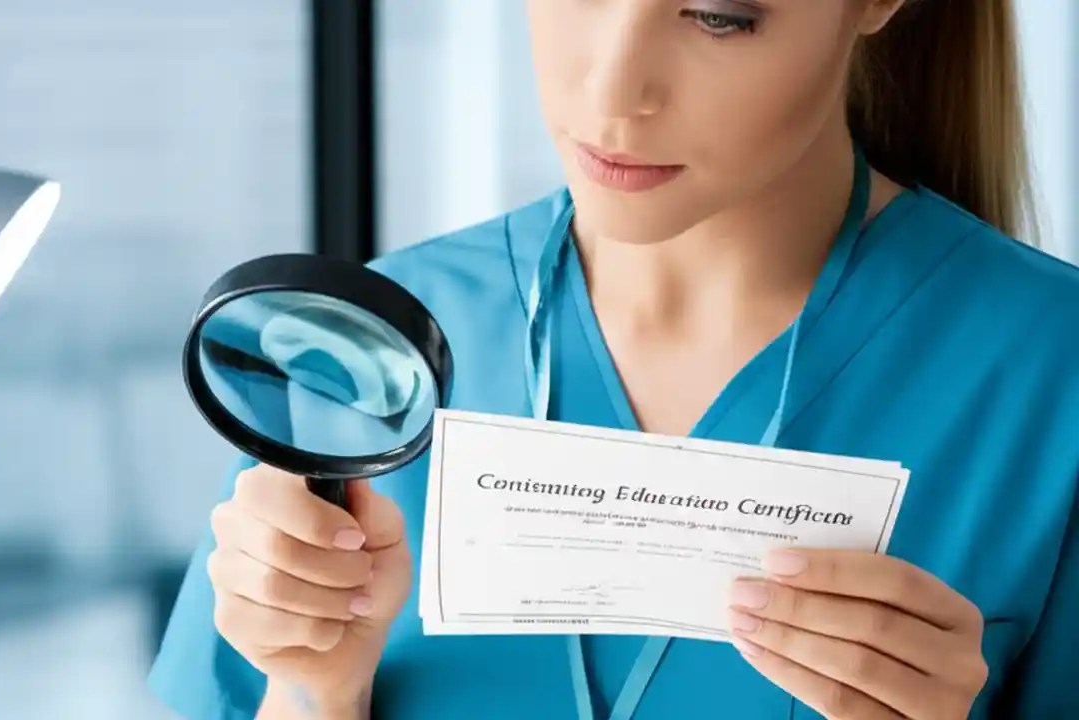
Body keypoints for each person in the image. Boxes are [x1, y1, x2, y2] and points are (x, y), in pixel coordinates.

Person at [150, 1, 1078, 718]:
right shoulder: (363, 348)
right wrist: (318, 692)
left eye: (719, 16)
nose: (612, 93)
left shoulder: (1048, 368)